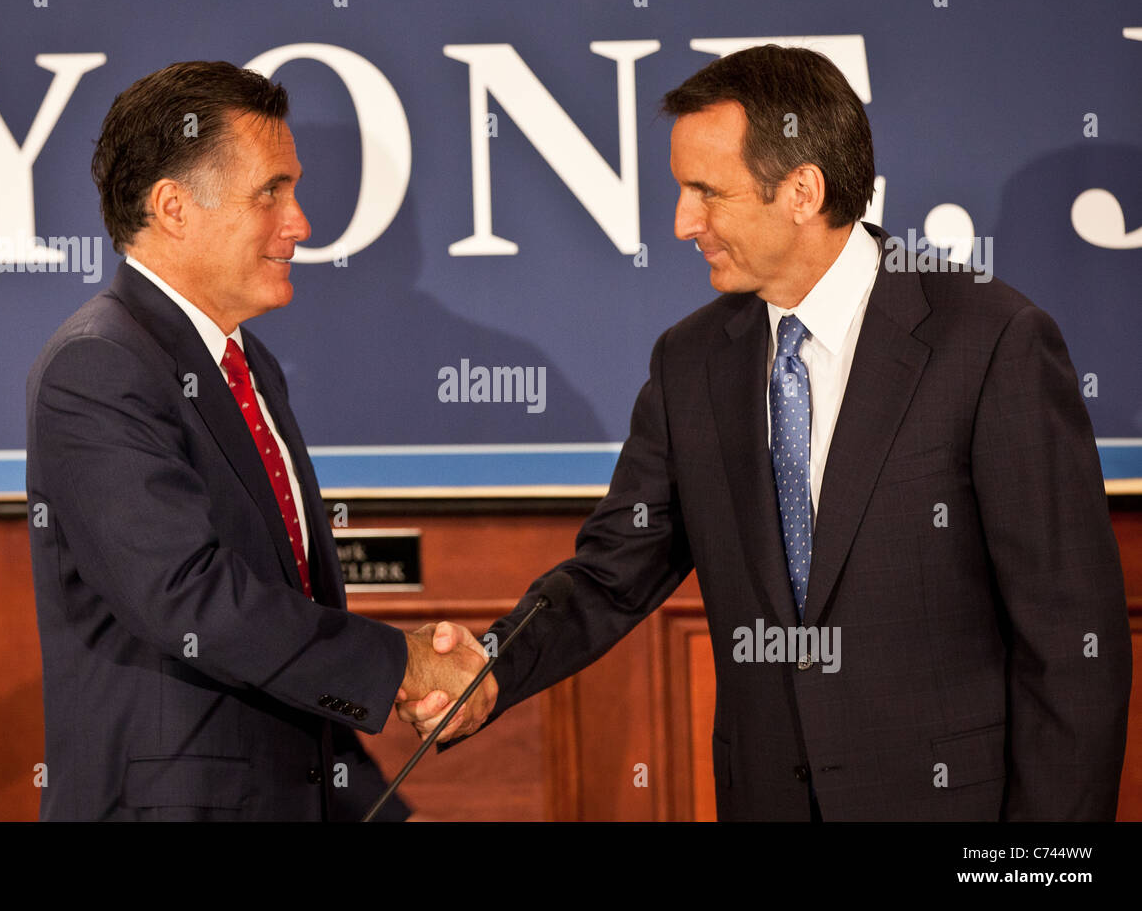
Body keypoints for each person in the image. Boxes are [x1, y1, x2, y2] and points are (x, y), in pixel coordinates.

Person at [400, 45, 1131, 821]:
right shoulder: (691, 361)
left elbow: (1072, 645)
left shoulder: (992, 342)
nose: (683, 222)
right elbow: (613, 572)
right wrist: (493, 667)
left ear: (802, 192)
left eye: (706, 193)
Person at [26, 61, 494, 821]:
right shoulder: (98, 364)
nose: (301, 221)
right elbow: (190, 598)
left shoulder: (246, 362)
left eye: (294, 188)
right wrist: (398, 665)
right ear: (173, 207)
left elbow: (287, 604)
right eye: (270, 191)